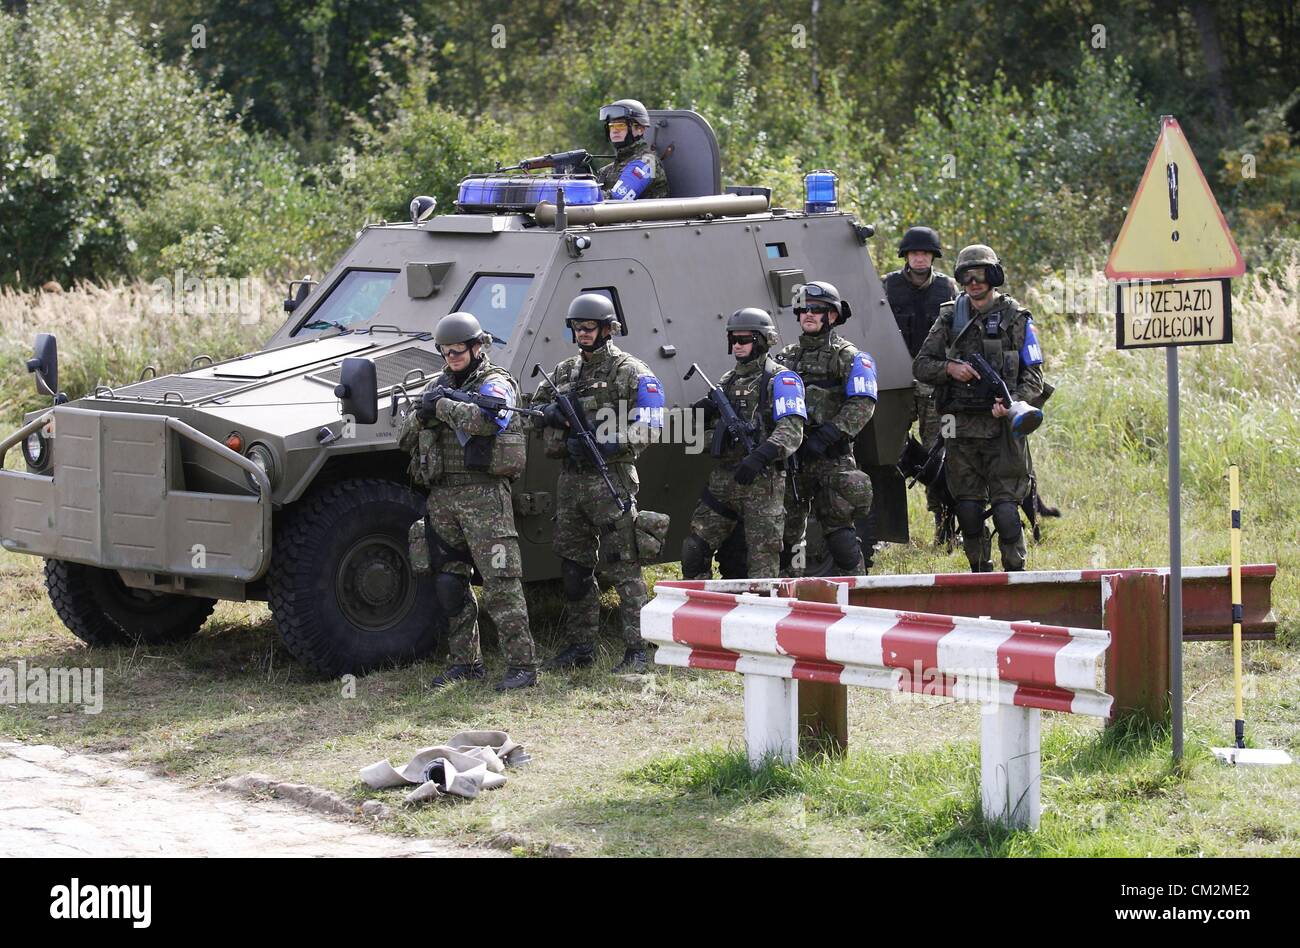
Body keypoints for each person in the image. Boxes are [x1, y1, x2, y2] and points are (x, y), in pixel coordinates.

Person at [398, 312, 538, 690]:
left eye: (457, 351)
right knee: (448, 583)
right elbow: (403, 433)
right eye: (445, 352)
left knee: (500, 584)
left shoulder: (497, 383)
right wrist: (424, 413)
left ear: (477, 348)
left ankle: (523, 665)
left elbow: (490, 420)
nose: (451, 358)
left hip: (485, 497)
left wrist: (441, 407)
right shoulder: (438, 384)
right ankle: (466, 662)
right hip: (443, 496)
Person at [531, 294, 665, 672]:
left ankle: (638, 649)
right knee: (574, 571)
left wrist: (613, 441)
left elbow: (651, 424)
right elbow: (531, 412)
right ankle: (580, 647)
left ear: (608, 329)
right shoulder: (563, 372)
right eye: (576, 328)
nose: (582, 334)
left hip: (612, 481)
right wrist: (551, 415)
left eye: (589, 328)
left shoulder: (631, 371)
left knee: (624, 568)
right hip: (572, 483)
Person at [912, 244, 1044, 572]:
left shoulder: (1017, 318)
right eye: (966, 276)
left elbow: (1035, 377)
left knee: (1006, 513)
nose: (973, 283)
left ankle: (1016, 576)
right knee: (968, 512)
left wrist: (1013, 403)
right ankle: (980, 574)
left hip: (1002, 431)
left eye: (980, 275)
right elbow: (921, 365)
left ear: (994, 276)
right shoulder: (949, 317)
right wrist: (950, 370)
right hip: (961, 429)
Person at [681, 309, 806, 580]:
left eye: (745, 339)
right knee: (694, 548)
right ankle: (700, 613)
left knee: (763, 565)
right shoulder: (727, 381)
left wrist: (760, 456)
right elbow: (695, 438)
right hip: (725, 480)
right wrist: (707, 424)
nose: (737, 345)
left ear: (761, 341)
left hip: (763, 482)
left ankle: (765, 618)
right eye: (733, 339)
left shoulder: (781, 379)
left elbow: (792, 429)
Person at [775, 281, 878, 576]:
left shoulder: (848, 356)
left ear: (832, 316)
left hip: (831, 457)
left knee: (838, 532)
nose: (809, 315)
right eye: (804, 309)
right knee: (787, 534)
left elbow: (863, 403)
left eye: (817, 310)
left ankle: (858, 593)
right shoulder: (785, 358)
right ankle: (788, 595)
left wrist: (829, 434)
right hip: (793, 460)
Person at [883, 226, 958, 543]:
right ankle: (884, 530)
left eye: (925, 253)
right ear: (905, 255)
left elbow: (959, 332)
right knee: (886, 452)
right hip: (895, 381)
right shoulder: (887, 286)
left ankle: (945, 526)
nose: (919, 258)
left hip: (932, 383)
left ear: (933, 256)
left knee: (939, 453)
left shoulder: (947, 288)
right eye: (914, 253)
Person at [594, 99, 669, 201]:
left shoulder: (647, 162)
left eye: (621, 125)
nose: (615, 130)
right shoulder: (608, 170)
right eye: (612, 126)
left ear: (640, 129)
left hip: (646, 217)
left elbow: (618, 198)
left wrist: (582, 193)